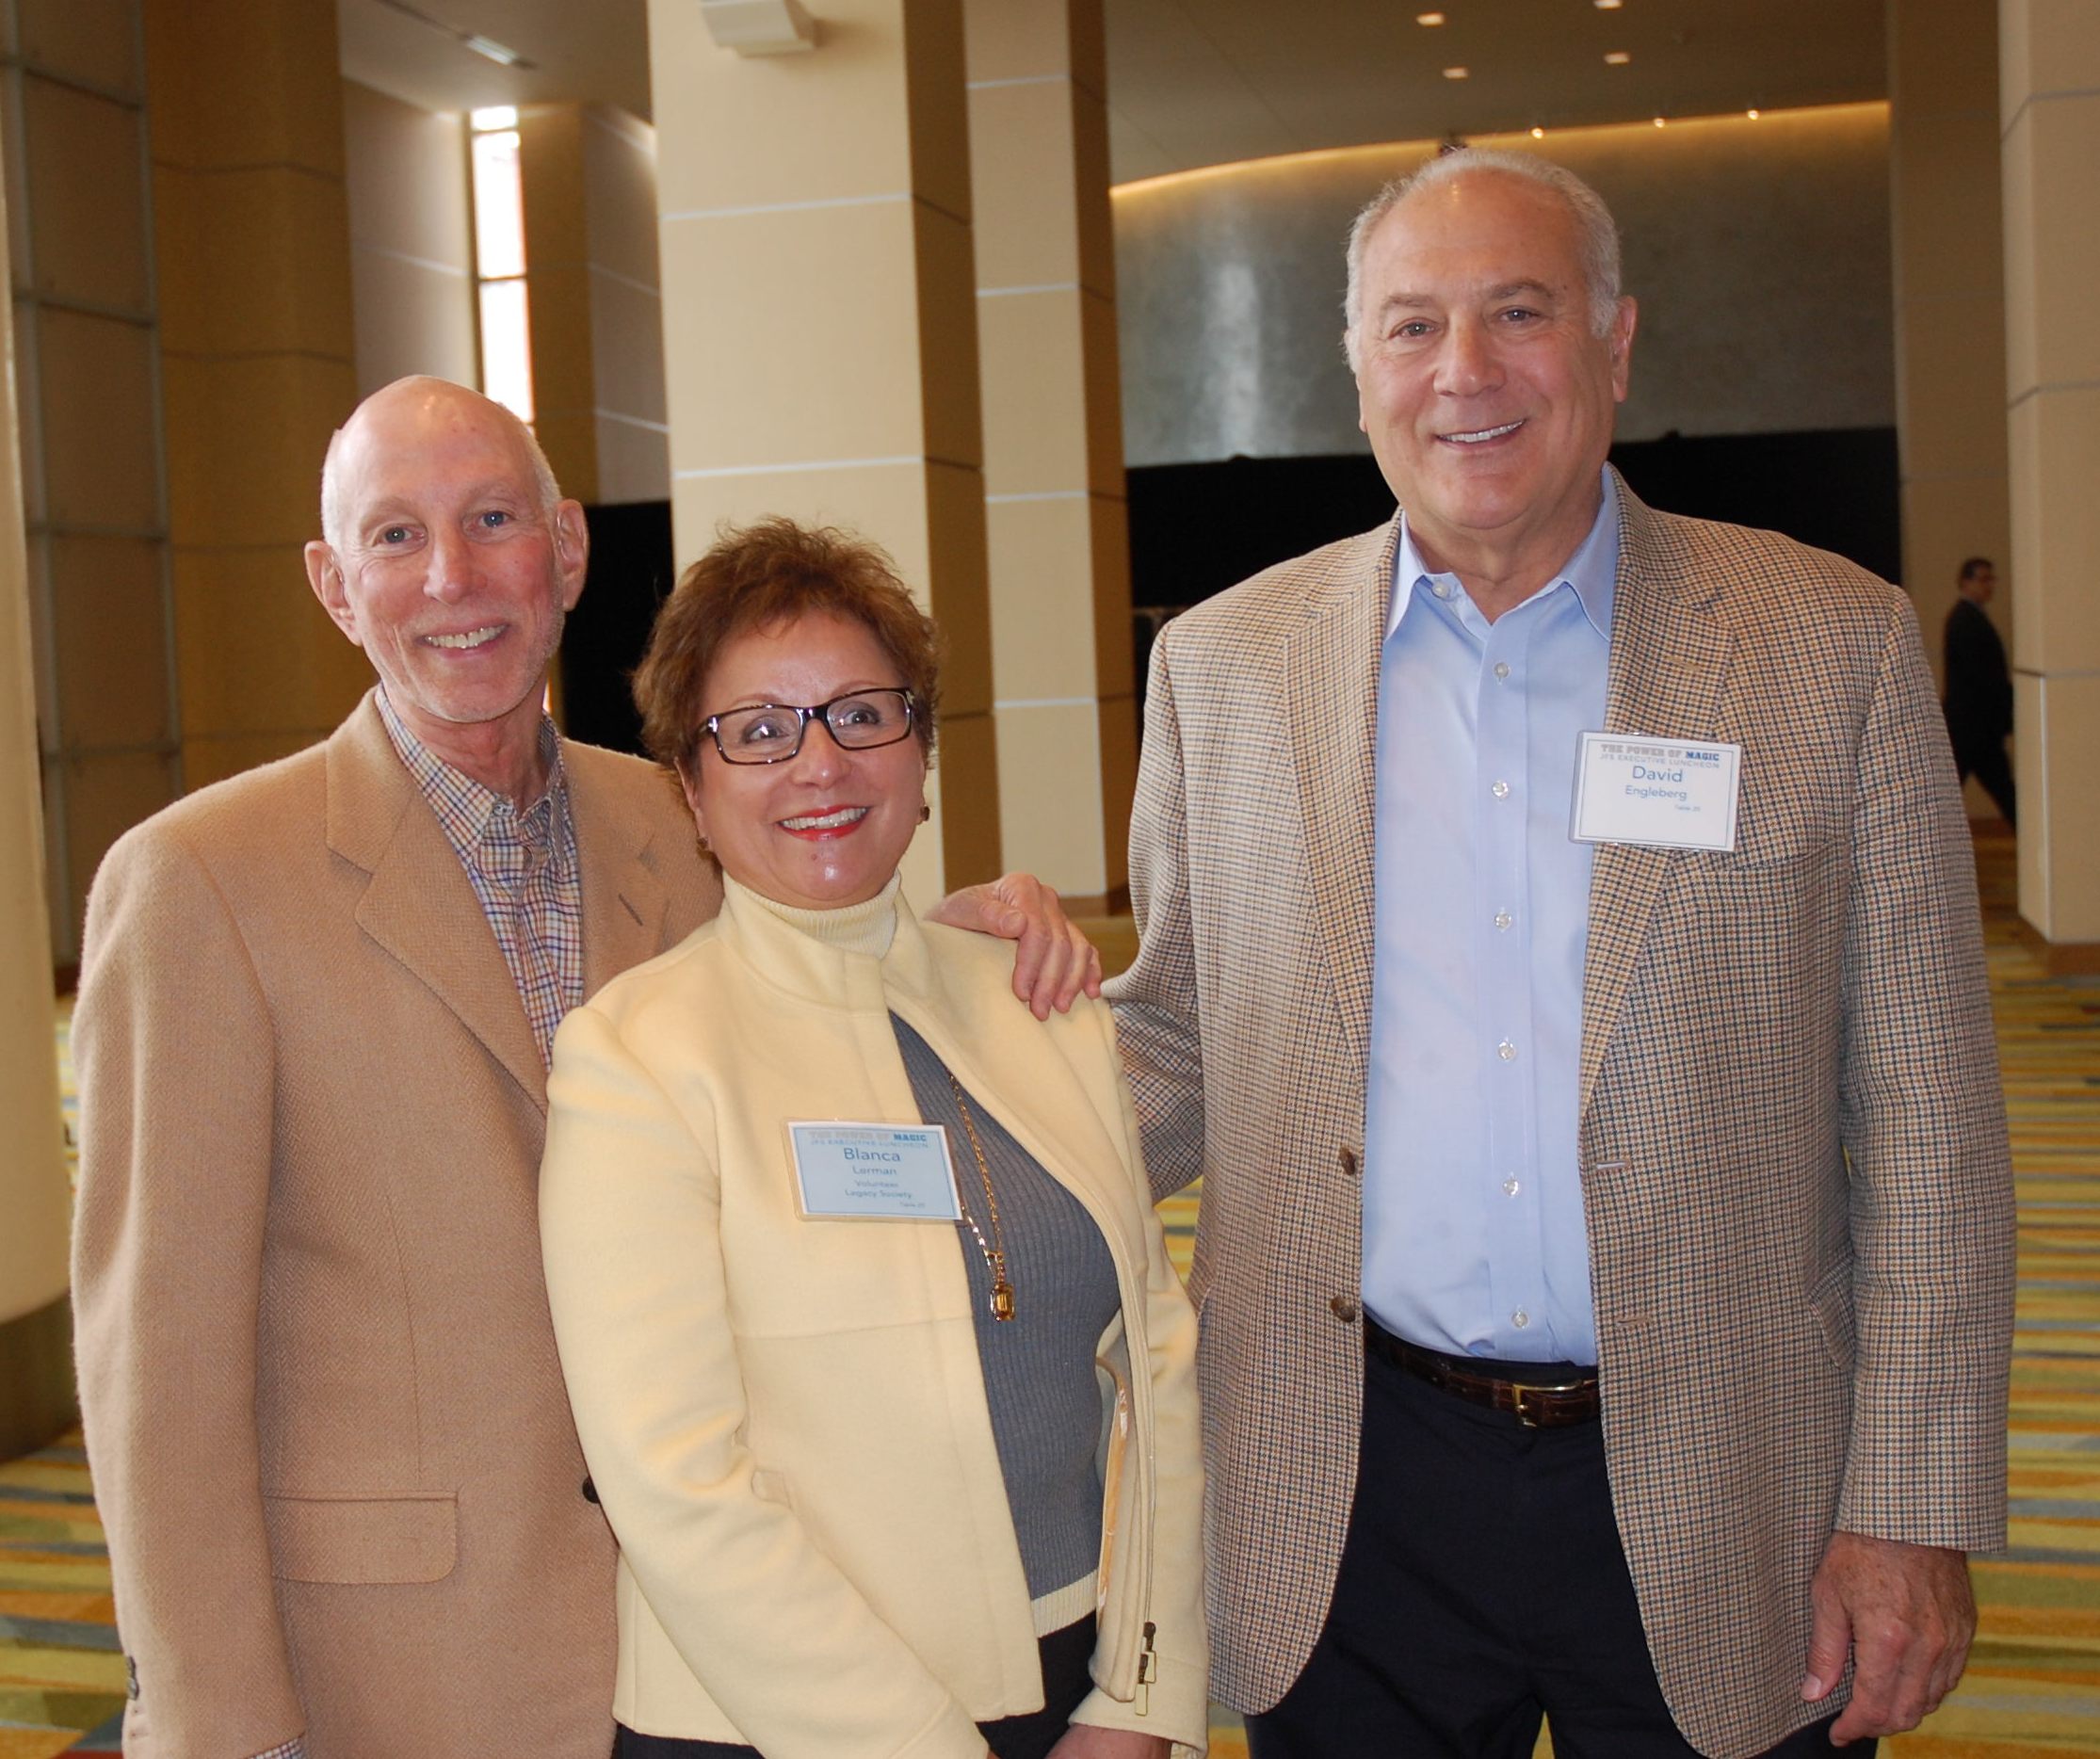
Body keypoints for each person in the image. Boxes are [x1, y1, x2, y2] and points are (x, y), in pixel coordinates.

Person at [1107, 150, 2014, 1759]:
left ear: (1614, 341)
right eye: (1412, 326)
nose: (1463, 372)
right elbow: (1176, 1043)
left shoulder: (1832, 646)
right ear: (1359, 368)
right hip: (1350, 1482)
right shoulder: (1220, 669)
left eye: (1516, 312)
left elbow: (1930, 1122)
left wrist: (1910, 1504)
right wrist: (927, 1023)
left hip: (1734, 1480)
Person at [70, 378, 1098, 1759]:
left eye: (492, 520)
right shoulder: (201, 883)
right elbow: (160, 1376)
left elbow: (833, 988)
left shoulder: (682, 818)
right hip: (406, 1667)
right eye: (395, 537)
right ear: (332, 583)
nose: (453, 577)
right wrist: (215, 1725)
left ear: (565, 551)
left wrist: (973, 938)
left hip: (722, 1654)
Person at [537, 519, 1207, 1759]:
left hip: (1078, 1685)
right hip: (774, 1717)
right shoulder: (635, 1059)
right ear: (690, 786)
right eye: (757, 730)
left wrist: (1138, 1700)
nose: (819, 765)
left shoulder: (1039, 1007)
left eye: (861, 714)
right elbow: (673, 1484)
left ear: (921, 748)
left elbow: (1157, 1362)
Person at [1942, 556, 2016, 829]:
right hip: (1973, 726)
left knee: (1999, 790)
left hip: (1972, 726)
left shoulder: (1970, 618)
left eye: (1991, 579)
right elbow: (1985, 679)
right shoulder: (1965, 621)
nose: (1989, 586)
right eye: (1983, 579)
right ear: (1965, 582)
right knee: (2003, 791)